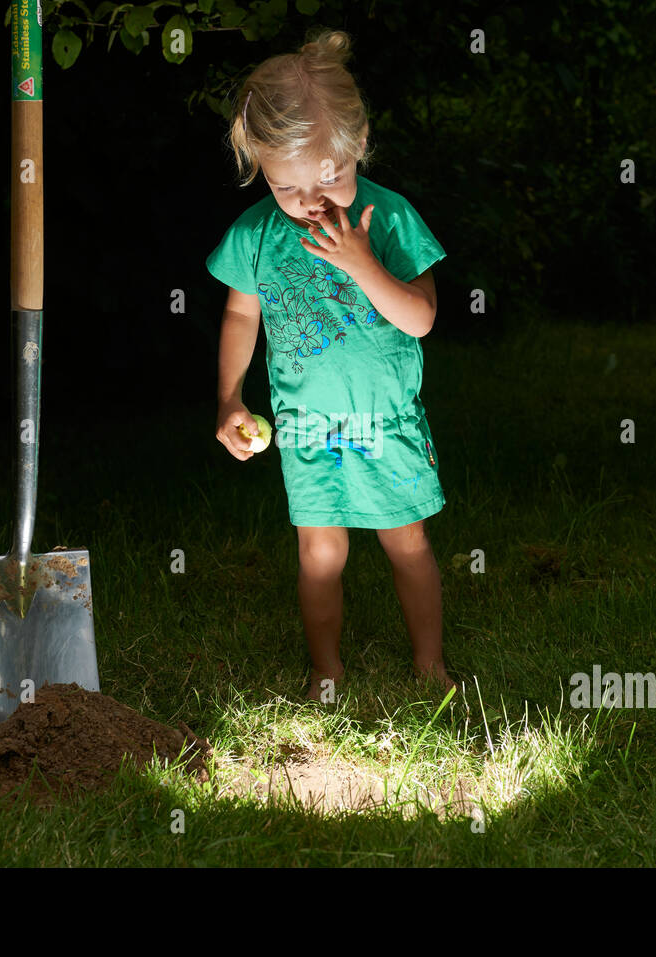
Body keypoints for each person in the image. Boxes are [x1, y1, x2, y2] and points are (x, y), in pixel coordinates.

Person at [206, 28, 453, 701]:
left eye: (331, 177)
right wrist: (231, 397)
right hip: (308, 426)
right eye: (289, 188)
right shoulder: (257, 235)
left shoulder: (388, 219)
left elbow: (421, 318)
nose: (314, 200)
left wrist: (362, 261)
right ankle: (326, 670)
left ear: (360, 141)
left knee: (407, 544)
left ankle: (428, 663)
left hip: (388, 420)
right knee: (319, 555)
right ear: (260, 164)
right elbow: (240, 315)